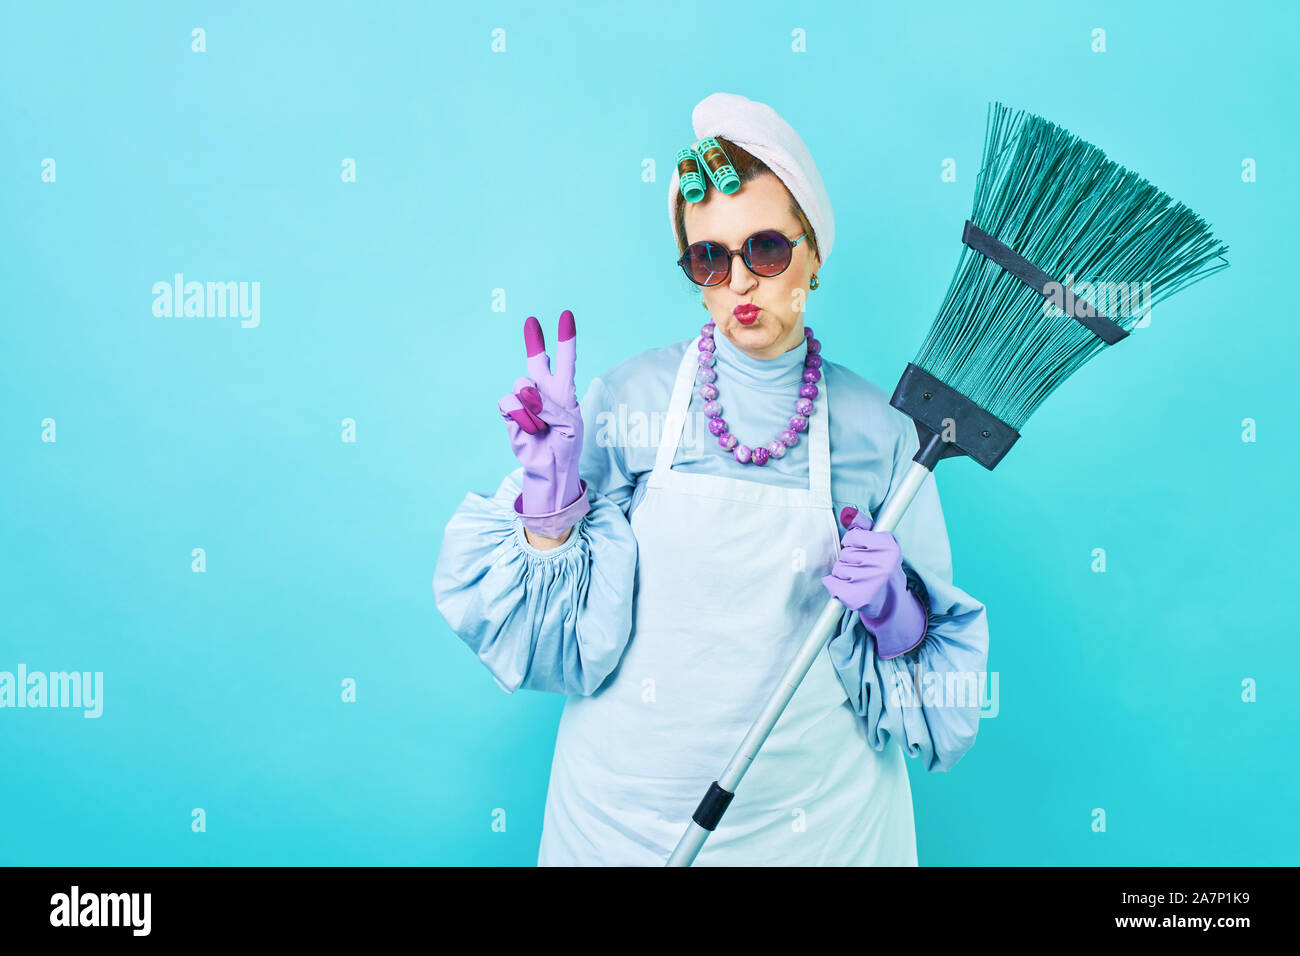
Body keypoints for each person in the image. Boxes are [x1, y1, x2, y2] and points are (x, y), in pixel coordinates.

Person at [433, 92, 990, 866]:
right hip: (620, 826)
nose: (739, 282)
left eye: (765, 248)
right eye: (709, 257)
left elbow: (938, 712)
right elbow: (554, 651)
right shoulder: (629, 402)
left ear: (813, 255)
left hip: (819, 832)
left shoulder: (884, 433)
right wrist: (549, 505)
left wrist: (896, 612)